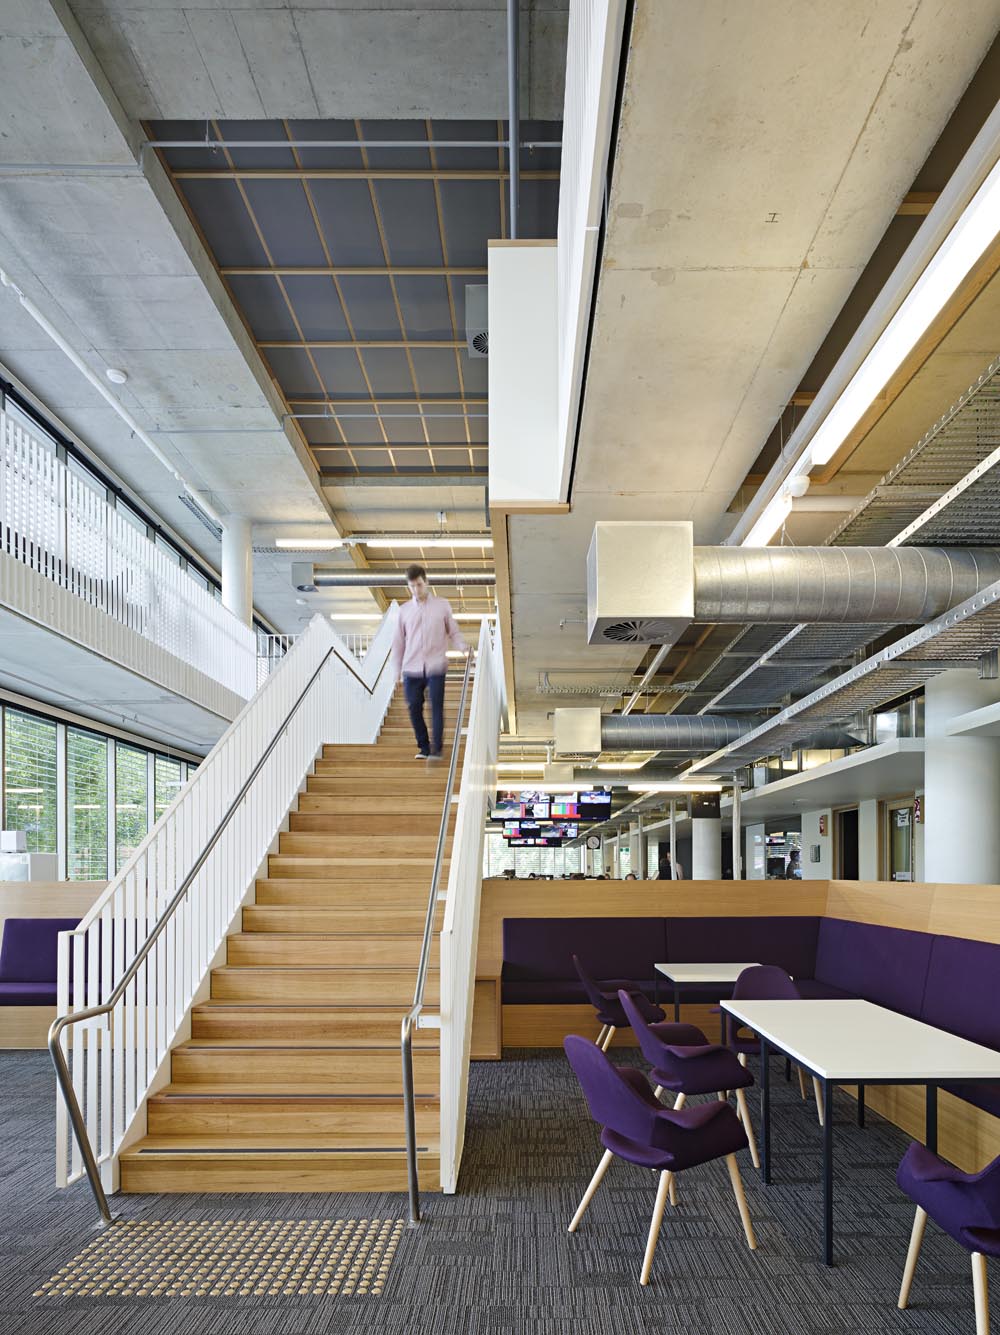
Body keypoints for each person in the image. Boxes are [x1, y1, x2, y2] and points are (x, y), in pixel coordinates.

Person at [390, 563, 468, 761]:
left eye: (419, 585)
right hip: (411, 668)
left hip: (435, 666)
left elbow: (453, 631)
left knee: (436, 707)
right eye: (412, 586)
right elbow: (398, 642)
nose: (416, 590)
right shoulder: (404, 611)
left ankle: (436, 749)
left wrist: (463, 647)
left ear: (426, 582)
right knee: (414, 707)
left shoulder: (442, 605)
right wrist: (395, 670)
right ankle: (423, 747)